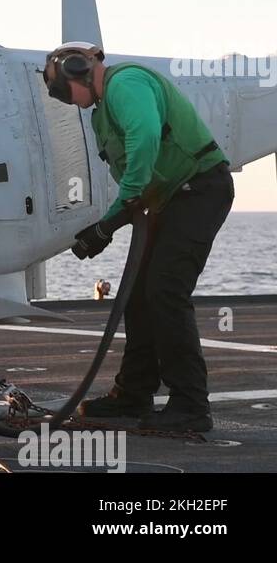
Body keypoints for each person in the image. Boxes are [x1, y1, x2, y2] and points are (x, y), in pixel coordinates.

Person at [43, 42, 234, 432]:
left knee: (165, 289)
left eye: (60, 89)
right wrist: (107, 225)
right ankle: (134, 394)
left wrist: (108, 224)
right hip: (172, 198)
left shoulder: (125, 85)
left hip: (199, 189)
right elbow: (135, 178)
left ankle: (191, 408)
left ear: (77, 69)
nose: (62, 99)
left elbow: (144, 140)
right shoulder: (103, 112)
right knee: (138, 292)